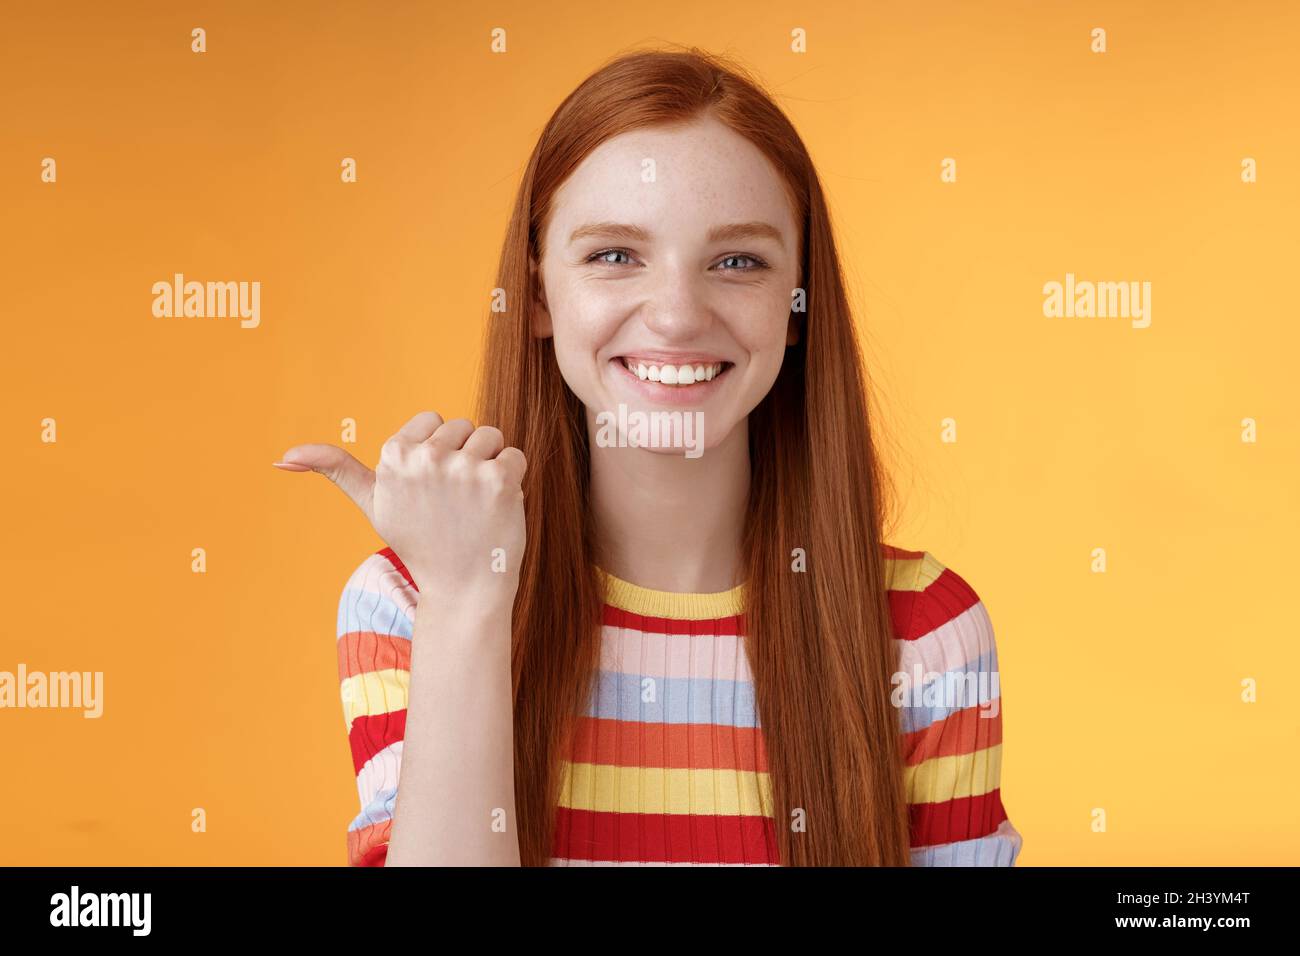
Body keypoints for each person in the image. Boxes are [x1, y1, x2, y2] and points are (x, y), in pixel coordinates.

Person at [274, 46, 1023, 867]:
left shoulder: (925, 635)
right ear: (536, 297)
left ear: (799, 304)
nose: (674, 316)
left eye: (738, 261)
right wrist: (464, 603)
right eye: (614, 256)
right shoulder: (411, 604)